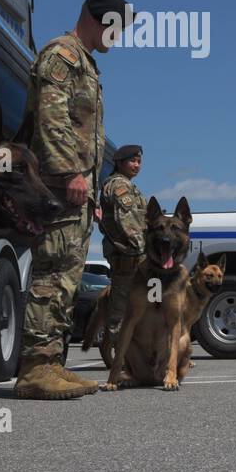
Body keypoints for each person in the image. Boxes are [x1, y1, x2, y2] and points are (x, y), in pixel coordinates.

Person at [14, 0, 130, 400]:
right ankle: (33, 370)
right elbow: (51, 120)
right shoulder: (61, 56)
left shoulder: (86, 64)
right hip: (58, 186)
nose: (118, 39)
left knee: (67, 276)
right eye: (116, 29)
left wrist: (92, 190)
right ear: (98, 18)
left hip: (78, 190)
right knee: (51, 274)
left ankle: (51, 364)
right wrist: (69, 174)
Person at [97, 144, 145, 362]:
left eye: (139, 161)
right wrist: (143, 249)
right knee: (121, 307)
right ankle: (122, 360)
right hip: (128, 254)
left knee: (137, 305)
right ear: (119, 162)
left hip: (131, 253)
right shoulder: (119, 186)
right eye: (132, 161)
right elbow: (128, 223)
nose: (136, 165)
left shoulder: (128, 186)